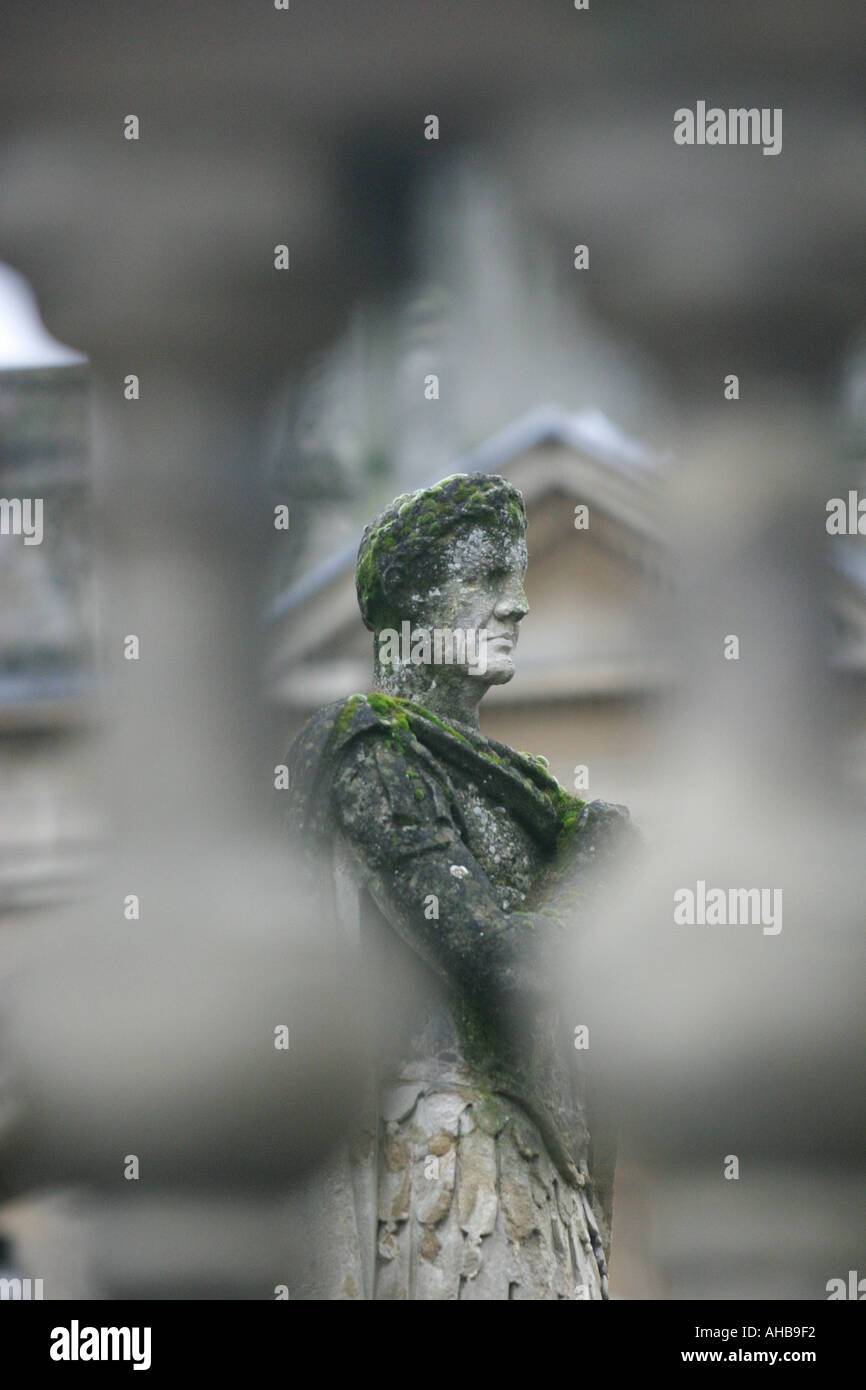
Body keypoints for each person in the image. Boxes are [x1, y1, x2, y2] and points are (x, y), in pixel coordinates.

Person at [286, 472, 632, 1299]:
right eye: (484, 581)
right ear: (409, 603)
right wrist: (592, 861)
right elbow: (508, 969)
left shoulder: (533, 793)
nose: (515, 606)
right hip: (448, 1174)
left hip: (544, 1174)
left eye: (518, 581)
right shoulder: (374, 753)